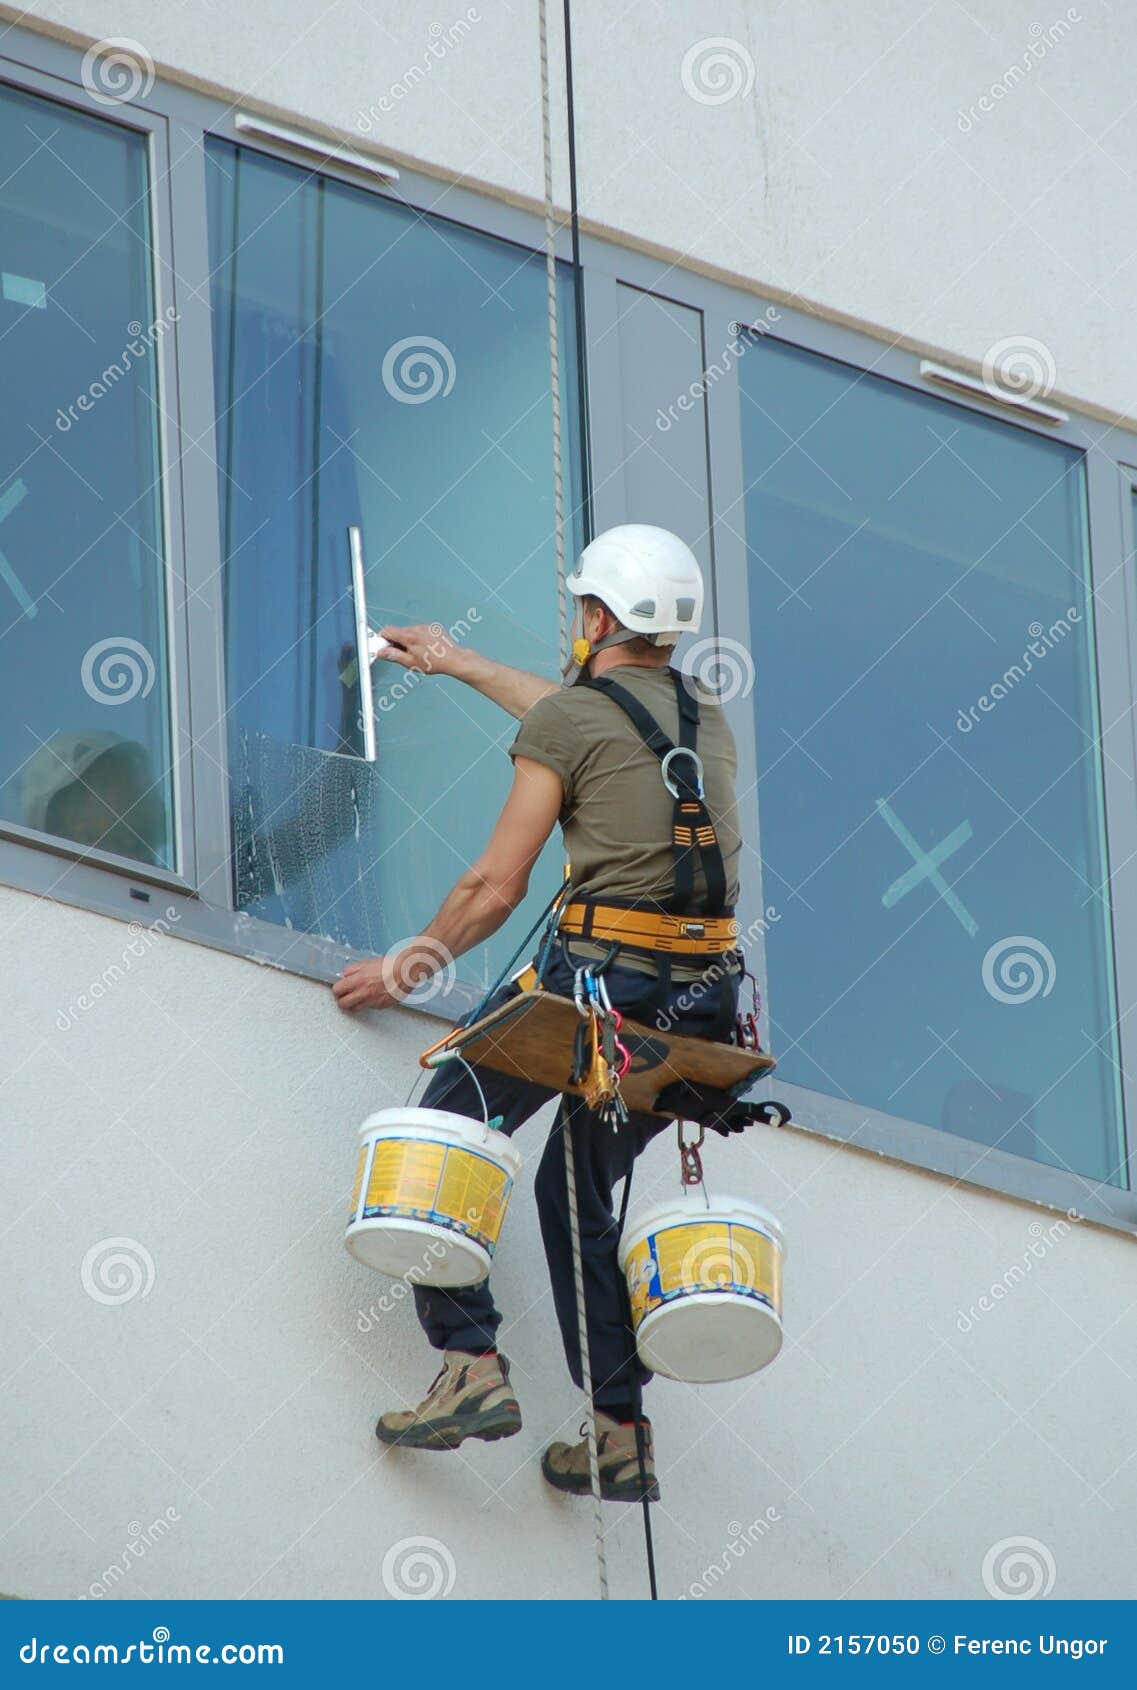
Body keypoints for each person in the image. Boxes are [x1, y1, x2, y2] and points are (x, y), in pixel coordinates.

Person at [333, 525, 743, 1502]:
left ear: (598, 616)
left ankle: (470, 1366)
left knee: (439, 1131)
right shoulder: (702, 720)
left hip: (594, 988)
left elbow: (494, 885)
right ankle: (618, 1429)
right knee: (574, 1194)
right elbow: (580, 719)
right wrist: (460, 661)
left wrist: (407, 968)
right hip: (696, 1007)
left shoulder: (579, 721)